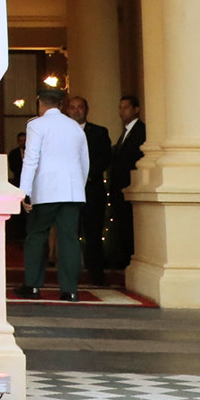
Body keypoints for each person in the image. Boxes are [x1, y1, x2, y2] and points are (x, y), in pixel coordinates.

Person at [15, 90, 90, 301]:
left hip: (46, 190)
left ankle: (33, 284)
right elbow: (85, 162)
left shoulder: (36, 125)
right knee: (69, 238)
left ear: (41, 104)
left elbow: (31, 160)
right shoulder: (75, 127)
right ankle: (70, 289)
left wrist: (24, 192)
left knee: (37, 236)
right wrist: (78, 187)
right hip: (72, 192)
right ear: (61, 104)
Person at [67, 93, 114, 286]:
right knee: (69, 233)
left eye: (80, 107)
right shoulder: (62, 132)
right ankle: (70, 274)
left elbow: (105, 157)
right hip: (68, 191)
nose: (76, 110)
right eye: (73, 107)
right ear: (67, 110)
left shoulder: (100, 132)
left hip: (92, 190)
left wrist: (87, 176)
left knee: (93, 234)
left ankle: (96, 274)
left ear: (86, 110)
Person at [109, 95, 146, 273]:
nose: (122, 111)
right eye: (120, 107)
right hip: (121, 188)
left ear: (136, 109)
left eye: (126, 107)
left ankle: (128, 259)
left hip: (130, 185)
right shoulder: (125, 132)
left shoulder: (141, 131)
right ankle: (123, 259)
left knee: (130, 227)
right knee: (123, 227)